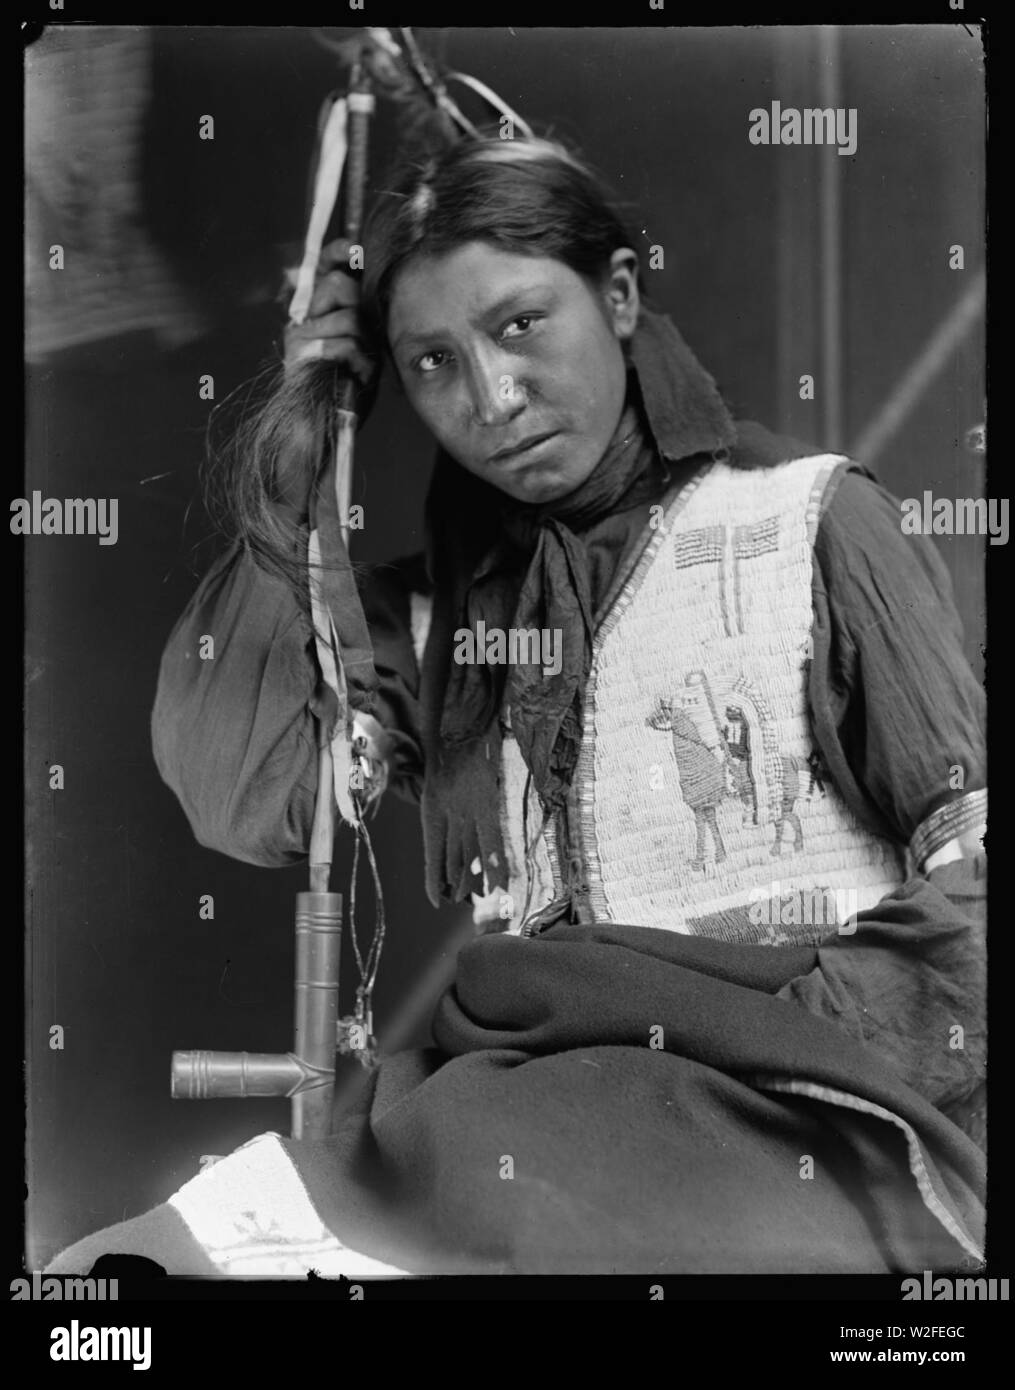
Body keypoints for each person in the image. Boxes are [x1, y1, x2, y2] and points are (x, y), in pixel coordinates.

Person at [50, 135, 987, 1277]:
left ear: (621, 295)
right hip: (515, 1120)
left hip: (801, 1123)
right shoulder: (446, 618)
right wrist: (307, 434)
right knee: (149, 1270)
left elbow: (975, 885)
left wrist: (774, 1040)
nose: (491, 397)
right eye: (431, 363)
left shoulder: (811, 528)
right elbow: (235, 789)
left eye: (519, 324)